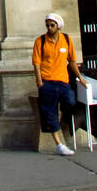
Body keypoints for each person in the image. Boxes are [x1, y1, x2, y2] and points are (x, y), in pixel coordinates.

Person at [32, 12, 87, 156]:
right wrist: (39, 81)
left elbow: (73, 61)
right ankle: (59, 144)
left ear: (58, 26)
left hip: (63, 81)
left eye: (52, 25)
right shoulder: (40, 41)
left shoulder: (67, 40)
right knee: (49, 113)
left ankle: (67, 122)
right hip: (47, 82)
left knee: (70, 101)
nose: (49, 28)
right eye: (47, 25)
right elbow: (36, 63)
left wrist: (80, 77)